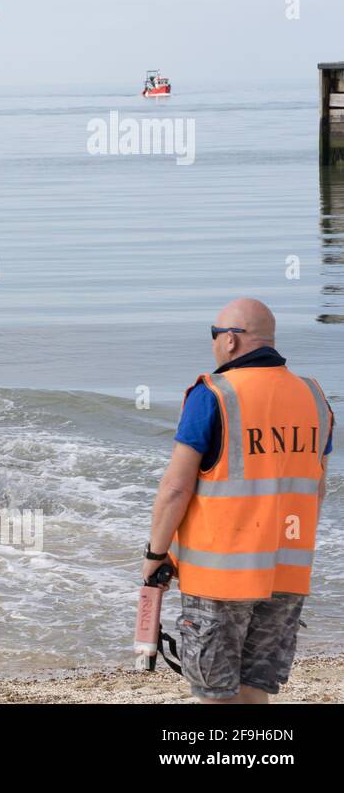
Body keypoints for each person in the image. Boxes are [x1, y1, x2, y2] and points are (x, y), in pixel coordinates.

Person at [143, 298, 333, 703]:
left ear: (230, 340)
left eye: (215, 335)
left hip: (220, 576)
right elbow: (316, 488)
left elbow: (176, 488)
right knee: (255, 689)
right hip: (286, 572)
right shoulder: (314, 397)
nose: (213, 344)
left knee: (215, 693)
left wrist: (155, 553)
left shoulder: (213, 394)